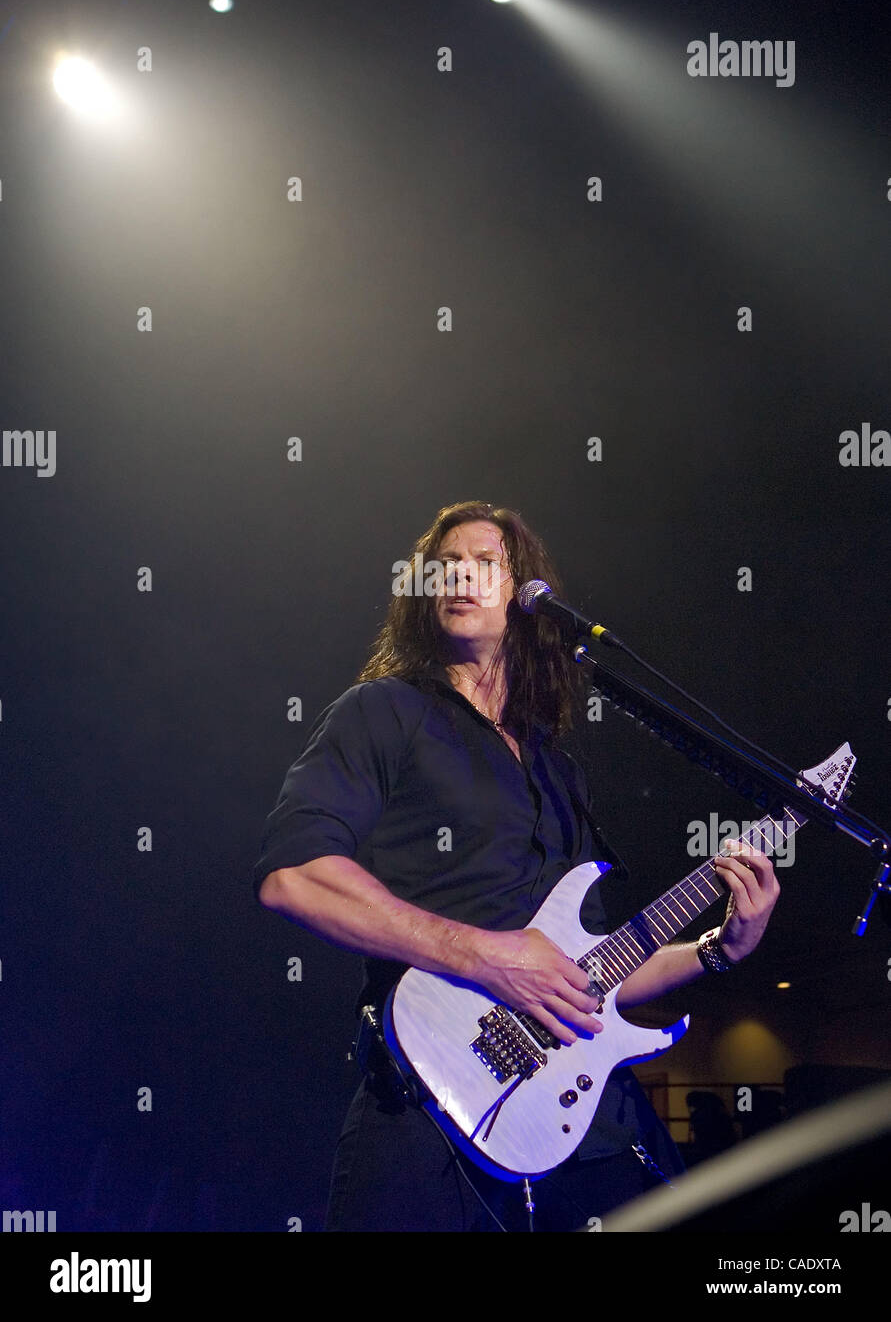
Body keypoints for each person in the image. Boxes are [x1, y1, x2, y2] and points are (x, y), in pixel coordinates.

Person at [254, 501, 780, 1231]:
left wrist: (719, 951)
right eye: (445, 564)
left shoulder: (557, 771)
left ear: (526, 595)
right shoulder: (380, 713)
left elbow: (591, 971)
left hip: (582, 1115)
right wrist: (489, 958)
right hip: (430, 1102)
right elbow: (296, 878)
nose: (459, 575)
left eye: (485, 563)